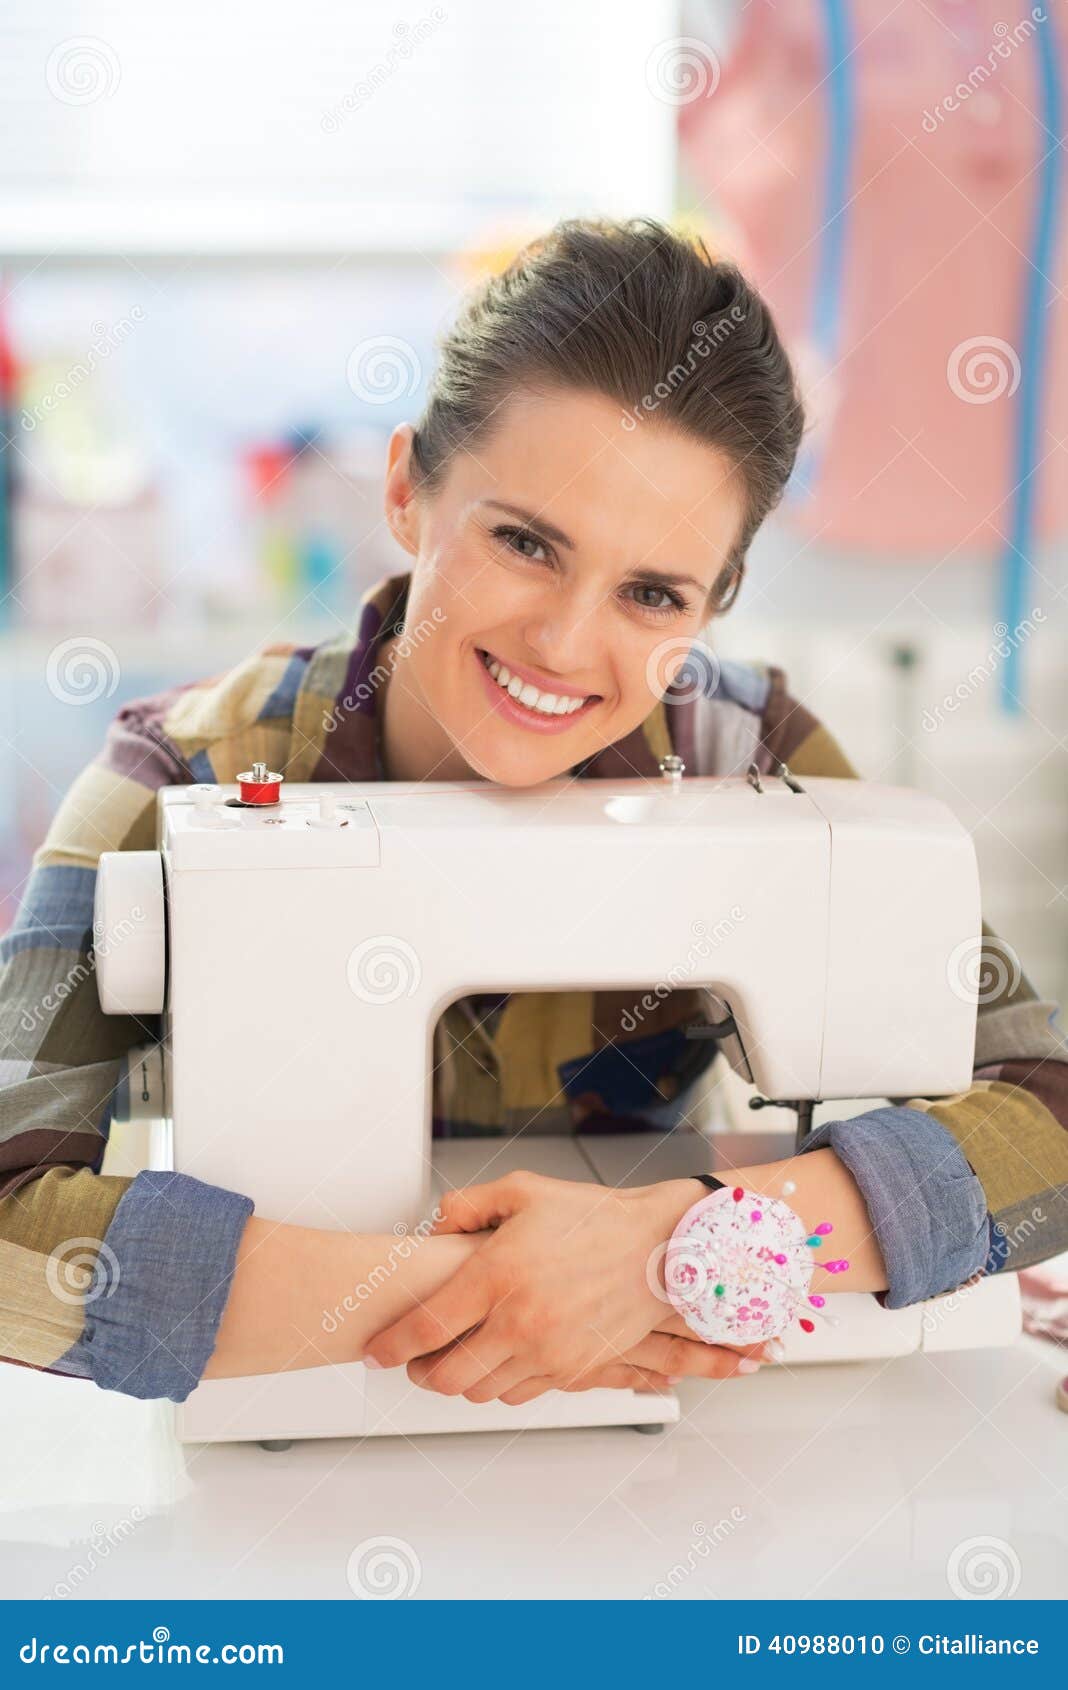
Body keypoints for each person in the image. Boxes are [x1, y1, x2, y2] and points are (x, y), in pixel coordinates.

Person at [3, 219, 1066, 1411]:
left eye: (652, 592)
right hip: (290, 1453)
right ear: (408, 490)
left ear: (715, 605)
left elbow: (1053, 1106)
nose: (564, 643)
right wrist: (528, 1291)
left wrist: (673, 1247)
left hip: (668, 1443)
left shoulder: (747, 753)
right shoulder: (175, 773)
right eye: (524, 542)